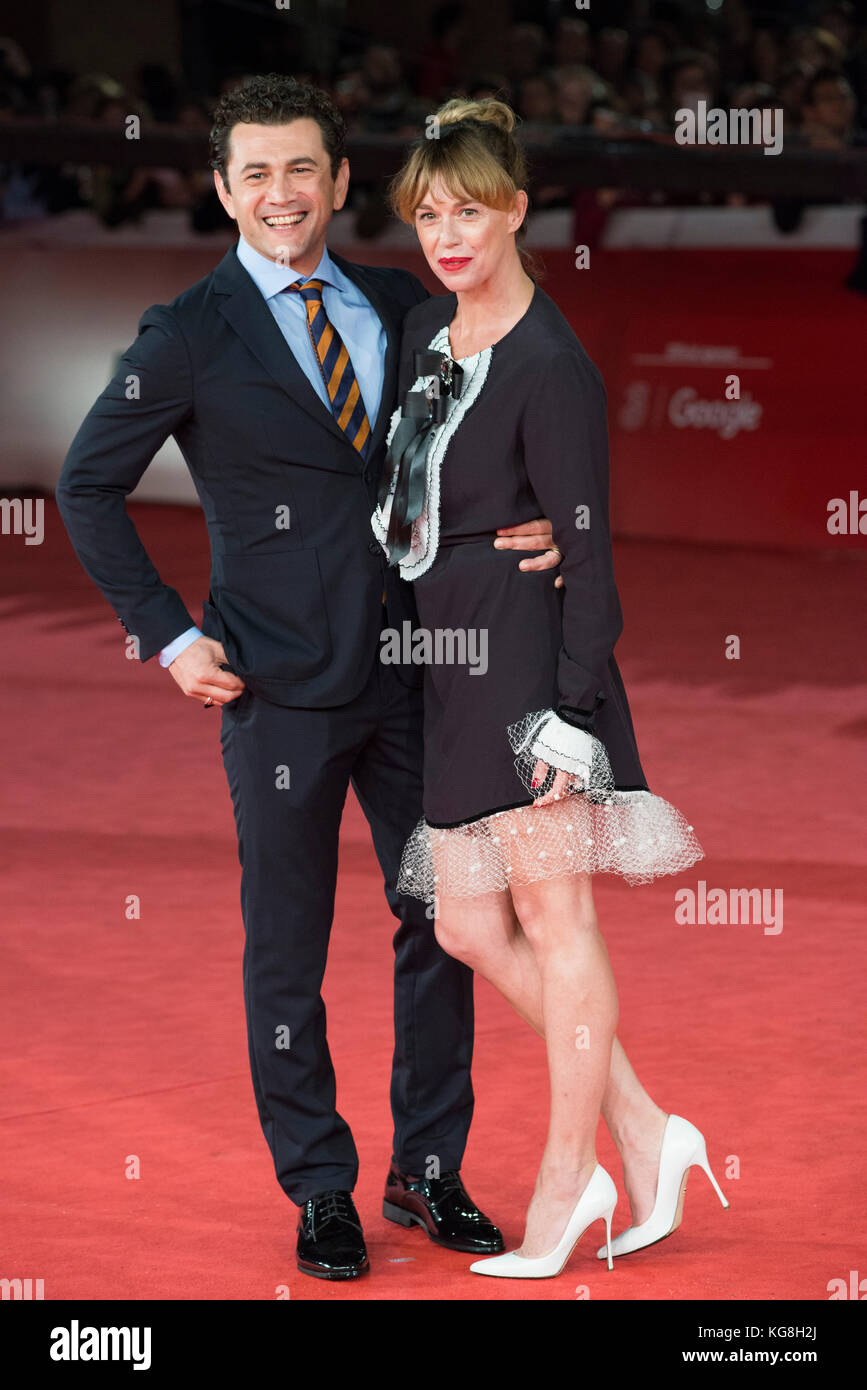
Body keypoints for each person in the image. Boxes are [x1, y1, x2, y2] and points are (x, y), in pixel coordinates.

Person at [55, 74, 564, 1282]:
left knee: (446, 923)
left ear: (339, 183)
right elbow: (84, 485)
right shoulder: (186, 332)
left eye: (304, 171)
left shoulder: (402, 302)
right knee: (286, 945)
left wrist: (548, 519)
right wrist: (168, 637)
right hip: (275, 689)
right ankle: (321, 1186)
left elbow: (505, 411)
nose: (282, 194)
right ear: (223, 189)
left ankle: (428, 1170)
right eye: (256, 173)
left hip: (419, 678)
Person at [373, 96, 729, 1278]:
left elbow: (595, 550)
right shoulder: (430, 325)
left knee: (557, 917)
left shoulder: (552, 362)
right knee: (469, 920)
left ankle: (571, 1181)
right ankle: (646, 1127)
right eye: (429, 214)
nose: (448, 233)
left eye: (469, 210)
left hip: (529, 666)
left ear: (519, 209)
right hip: (447, 663)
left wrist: (574, 711)